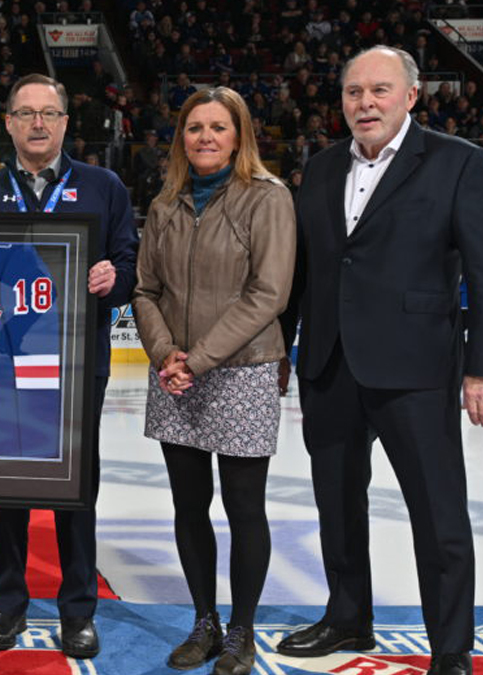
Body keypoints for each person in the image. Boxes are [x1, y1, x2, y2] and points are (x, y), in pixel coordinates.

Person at [277, 46, 483, 675]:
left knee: (437, 515)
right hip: (329, 363)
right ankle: (347, 617)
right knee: (337, 504)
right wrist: (281, 348)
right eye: (354, 93)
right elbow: (301, 272)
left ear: (411, 96)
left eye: (380, 90)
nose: (366, 103)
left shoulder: (457, 163)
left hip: (418, 368)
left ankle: (452, 649)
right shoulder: (322, 168)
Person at [0, 73, 136, 660]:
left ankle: (78, 610)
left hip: (76, 364)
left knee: (76, 490)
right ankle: (8, 605)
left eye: (49, 113)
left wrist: (116, 279)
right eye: (25, 113)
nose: (38, 123)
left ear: (65, 122)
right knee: (7, 489)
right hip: (1, 366)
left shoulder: (104, 185)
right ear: (8, 123)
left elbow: (129, 262)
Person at [132, 87, 295, 675]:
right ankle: (204, 621)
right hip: (174, 372)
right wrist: (163, 354)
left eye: (218, 127)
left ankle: (241, 632)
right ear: (181, 137)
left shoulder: (268, 198)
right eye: (194, 127)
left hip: (242, 371)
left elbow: (268, 294)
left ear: (239, 135)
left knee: (244, 508)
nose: (205, 137)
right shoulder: (164, 202)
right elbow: (146, 290)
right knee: (188, 506)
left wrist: (195, 359)